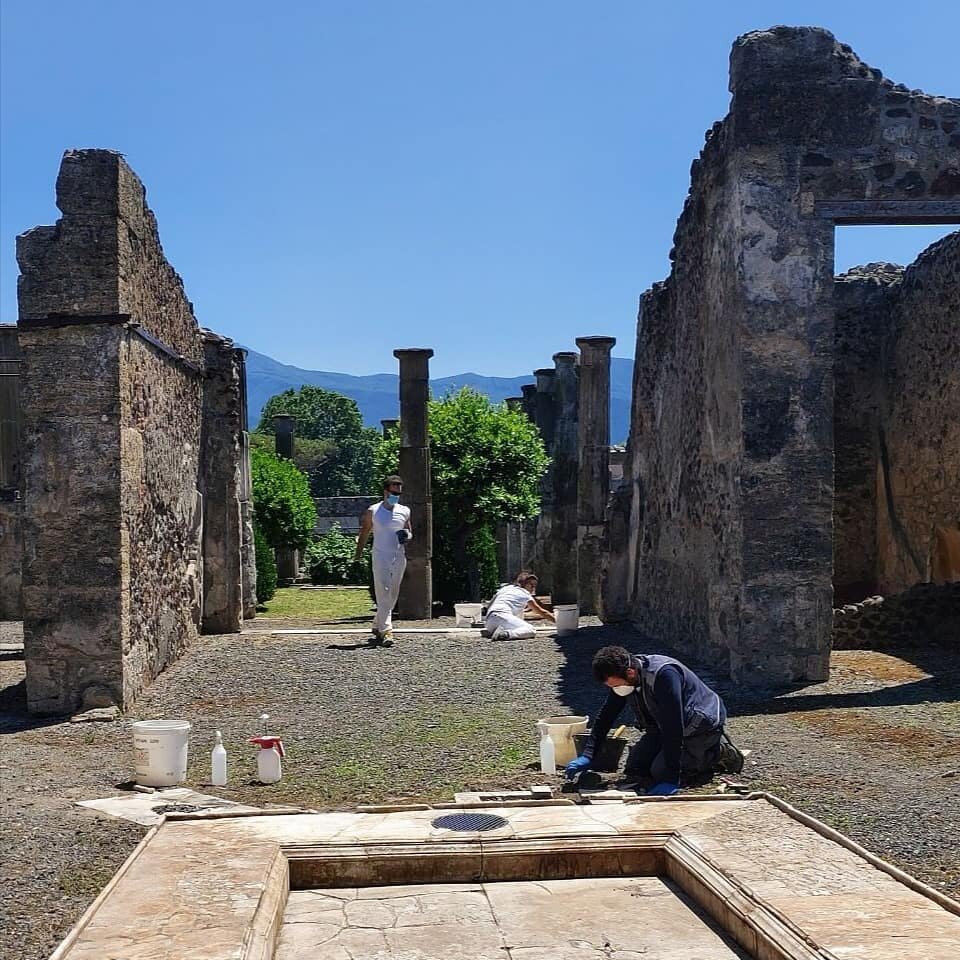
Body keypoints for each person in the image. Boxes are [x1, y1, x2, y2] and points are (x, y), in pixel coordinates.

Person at [564, 645, 744, 795]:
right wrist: (588, 755)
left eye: (615, 685)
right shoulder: (623, 678)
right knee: (636, 766)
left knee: (660, 772)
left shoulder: (664, 675)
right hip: (662, 725)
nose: (615, 689)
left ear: (630, 672)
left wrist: (672, 778)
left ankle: (717, 752)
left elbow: (673, 727)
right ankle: (686, 758)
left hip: (699, 725)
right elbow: (606, 716)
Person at [354, 475, 412, 647]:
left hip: (398, 556)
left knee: (393, 593)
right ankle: (387, 630)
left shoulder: (405, 510)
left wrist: (406, 536)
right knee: (383, 591)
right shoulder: (374, 511)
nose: (396, 495)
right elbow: (364, 532)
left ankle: (376, 623)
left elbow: (409, 531)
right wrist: (358, 554)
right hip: (380, 556)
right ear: (386, 491)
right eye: (393, 492)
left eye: (399, 493)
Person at [483, 571, 555, 640]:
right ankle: (505, 635)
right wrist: (558, 622)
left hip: (489, 623)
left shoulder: (505, 589)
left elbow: (490, 605)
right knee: (530, 630)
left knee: (520, 613)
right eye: (531, 585)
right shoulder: (525, 594)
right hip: (501, 616)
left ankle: (502, 632)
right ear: (523, 583)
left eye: (535, 586)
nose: (533, 588)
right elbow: (542, 612)